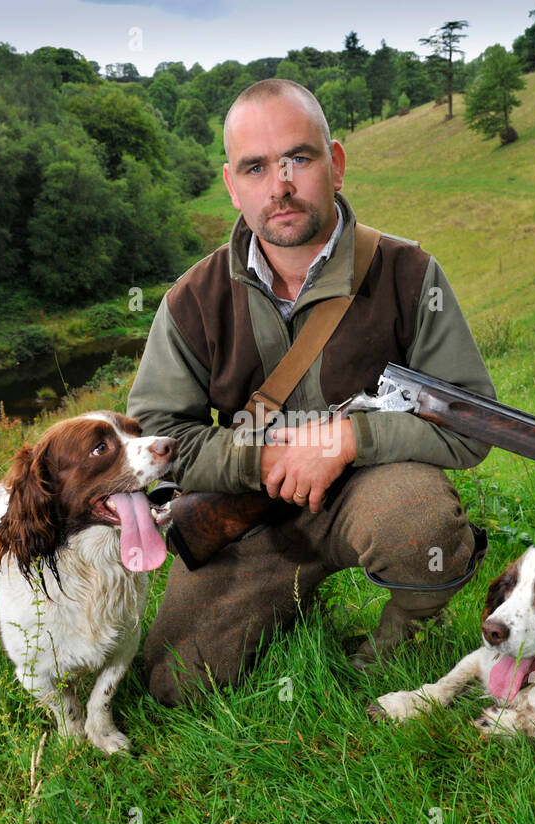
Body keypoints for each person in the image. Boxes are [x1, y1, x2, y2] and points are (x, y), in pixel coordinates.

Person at [127, 79, 496, 706]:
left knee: (421, 530)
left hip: (373, 486)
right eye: (256, 167)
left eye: (299, 157)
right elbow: (159, 438)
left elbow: (469, 423)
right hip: (251, 505)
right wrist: (265, 460)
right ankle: (281, 604)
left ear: (338, 163)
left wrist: (351, 436)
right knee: (175, 684)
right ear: (232, 185)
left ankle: (399, 642)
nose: (281, 184)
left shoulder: (410, 274)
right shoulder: (192, 300)